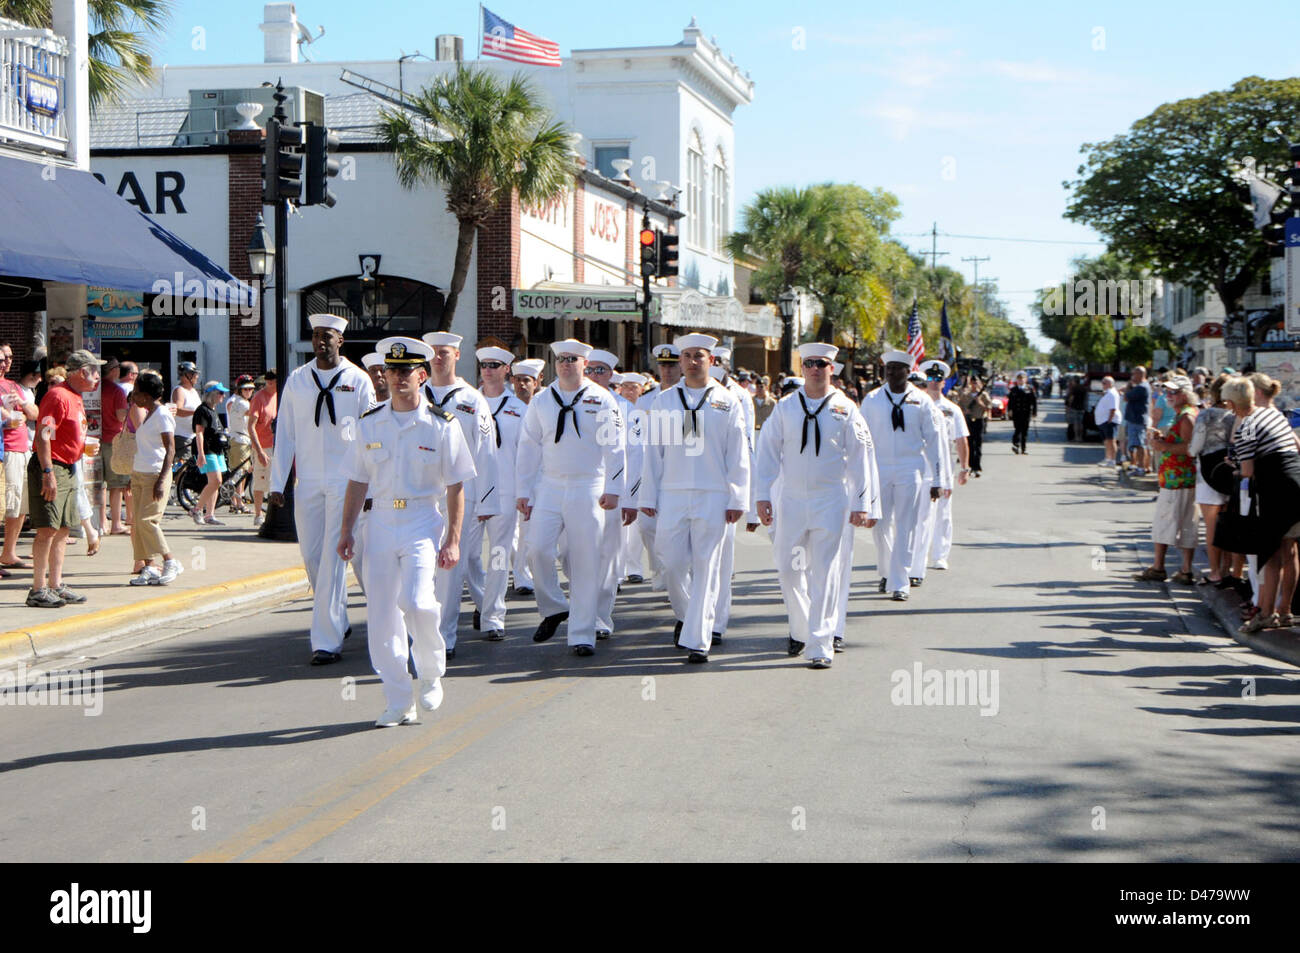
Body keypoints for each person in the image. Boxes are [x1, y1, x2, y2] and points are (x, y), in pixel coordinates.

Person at [338, 336, 476, 727]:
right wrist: (346, 530)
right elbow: (356, 481)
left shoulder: (441, 425)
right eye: (391, 371)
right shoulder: (369, 423)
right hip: (379, 522)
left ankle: (431, 671)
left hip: (420, 520)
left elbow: (456, 485)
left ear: (422, 375)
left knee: (418, 602)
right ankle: (398, 699)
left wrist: (452, 537)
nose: (397, 378)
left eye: (406, 372)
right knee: (382, 614)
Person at [755, 343, 878, 668]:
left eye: (821, 363)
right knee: (787, 567)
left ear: (832, 369)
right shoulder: (786, 407)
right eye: (808, 363)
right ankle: (802, 626)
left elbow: (862, 457)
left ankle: (821, 644)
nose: (814, 368)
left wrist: (862, 502)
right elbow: (767, 450)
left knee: (826, 571)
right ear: (802, 367)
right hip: (792, 500)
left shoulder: (847, 408)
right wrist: (762, 494)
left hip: (830, 499)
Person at [269, 315, 375, 665]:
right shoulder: (298, 380)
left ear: (340, 341)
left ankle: (325, 642)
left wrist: (371, 483)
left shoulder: (358, 380)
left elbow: (370, 435)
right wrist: (277, 481)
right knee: (312, 556)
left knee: (332, 556)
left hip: (346, 482)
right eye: (315, 336)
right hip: (309, 480)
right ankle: (338, 618)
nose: (320, 342)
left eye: (327, 336)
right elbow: (284, 433)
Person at [640, 333, 750, 663]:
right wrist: (649, 493)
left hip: (713, 494)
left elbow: (738, 453)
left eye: (698, 356)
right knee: (671, 565)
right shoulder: (665, 401)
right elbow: (653, 453)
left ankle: (698, 640)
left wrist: (737, 497)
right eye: (686, 355)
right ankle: (691, 617)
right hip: (672, 493)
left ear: (711, 361)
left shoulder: (727, 401)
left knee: (707, 567)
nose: (691, 361)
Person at [515, 339, 626, 656]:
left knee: (585, 559)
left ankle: (582, 634)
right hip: (550, 484)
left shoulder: (600, 398)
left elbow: (615, 447)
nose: (565, 364)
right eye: (561, 359)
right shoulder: (542, 400)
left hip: (588, 484)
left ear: (584, 364)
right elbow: (528, 446)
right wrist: (523, 490)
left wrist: (614, 487)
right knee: (536, 549)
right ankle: (553, 607)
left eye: (572, 359)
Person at [420, 331, 499, 659]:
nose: (439, 358)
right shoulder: (416, 394)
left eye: (445, 353)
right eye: (434, 353)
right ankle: (421, 631)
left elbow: (486, 452)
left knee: (450, 573)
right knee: (423, 570)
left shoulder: (471, 400)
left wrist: (488, 500)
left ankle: (445, 637)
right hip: (421, 496)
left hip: (461, 497)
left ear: (457, 356)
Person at [859, 350, 944, 601]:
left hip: (911, 468)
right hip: (879, 468)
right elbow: (861, 440)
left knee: (906, 525)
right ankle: (887, 570)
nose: (892, 372)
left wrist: (938, 480)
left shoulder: (922, 400)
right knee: (880, 524)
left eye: (897, 368)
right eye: (888, 368)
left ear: (908, 372)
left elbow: (934, 441)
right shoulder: (872, 399)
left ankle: (900, 581)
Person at [26, 349, 104, 608]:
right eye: (95, 371)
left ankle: (55, 584)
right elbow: (44, 436)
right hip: (52, 467)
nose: (97, 377)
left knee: (62, 529)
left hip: (68, 466)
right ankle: (37, 588)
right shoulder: (57, 396)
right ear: (82, 371)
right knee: (47, 528)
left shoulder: (76, 397)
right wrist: (48, 473)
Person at [1224, 375, 1300, 632]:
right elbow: (1295, 445)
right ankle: (1285, 610)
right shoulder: (1274, 414)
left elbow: (1246, 471)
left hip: (1276, 489)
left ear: (1234, 403)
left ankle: (1266, 614)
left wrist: (1234, 468)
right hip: (1296, 482)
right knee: (1290, 551)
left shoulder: (1247, 425)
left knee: (1270, 553)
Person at [474, 344, 528, 642]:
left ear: (507, 369)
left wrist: (525, 492)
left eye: (495, 365)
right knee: (466, 556)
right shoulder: (468, 402)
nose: (488, 370)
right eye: (484, 365)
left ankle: (493, 617)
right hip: (471, 489)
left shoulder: (519, 409)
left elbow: (526, 455)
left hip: (505, 491)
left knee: (497, 555)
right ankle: (484, 601)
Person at [1132, 377, 1199, 585]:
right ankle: (1184, 570)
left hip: (1177, 478)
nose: (1168, 396)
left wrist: (1164, 447)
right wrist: (1165, 439)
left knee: (1165, 522)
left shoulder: (1187, 417)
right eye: (1167, 392)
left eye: (1173, 392)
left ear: (1185, 394)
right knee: (1187, 522)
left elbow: (1190, 448)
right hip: (1181, 476)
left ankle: (1159, 567)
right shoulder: (1185, 414)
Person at [126, 372, 182, 586]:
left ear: (147, 396)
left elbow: (170, 449)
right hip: (139, 473)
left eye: (137, 393)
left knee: (147, 521)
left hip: (154, 474)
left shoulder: (162, 414)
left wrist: (162, 479)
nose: (134, 397)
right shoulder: (148, 414)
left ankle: (170, 560)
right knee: (137, 524)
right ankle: (148, 566)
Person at [635, 343, 682, 591]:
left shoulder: (688, 399)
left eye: (672, 365)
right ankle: (658, 565)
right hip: (649, 471)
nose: (667, 370)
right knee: (646, 526)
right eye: (663, 365)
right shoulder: (645, 402)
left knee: (676, 528)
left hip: (676, 472)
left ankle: (676, 571)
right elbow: (635, 442)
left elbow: (689, 442)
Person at [917, 360, 970, 572]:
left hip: (944, 468)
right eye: (930, 378)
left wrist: (964, 468)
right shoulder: (917, 405)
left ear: (944, 382)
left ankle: (940, 555)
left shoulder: (951, 409)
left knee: (943, 514)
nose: (933, 382)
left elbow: (961, 440)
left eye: (938, 379)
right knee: (918, 515)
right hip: (919, 467)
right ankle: (916, 555)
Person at [1188, 375, 1234, 585]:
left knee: (1212, 525)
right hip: (1232, 471)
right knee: (1231, 522)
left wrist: (1190, 452)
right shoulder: (1238, 415)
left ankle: (1215, 571)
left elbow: (1195, 447)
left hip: (1209, 472)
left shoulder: (1206, 415)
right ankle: (1229, 568)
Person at [0, 343, 38, 574]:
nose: (6, 362)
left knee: (22, 503)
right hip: (8, 450)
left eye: (8, 358)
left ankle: (9, 552)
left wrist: (21, 405)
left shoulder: (14, 386)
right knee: (8, 504)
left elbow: (34, 414)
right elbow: (9, 417)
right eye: (2, 359)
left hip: (24, 447)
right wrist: (10, 416)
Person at [508, 358, 544, 596]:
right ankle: (518, 573)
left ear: (537, 382)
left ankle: (526, 574)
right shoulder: (506, 406)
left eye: (526, 381)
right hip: (508, 477)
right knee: (512, 532)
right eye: (518, 380)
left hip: (539, 477)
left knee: (529, 531)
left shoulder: (543, 405)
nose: (522, 385)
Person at [98, 358, 132, 534]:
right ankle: (116, 523)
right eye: (118, 367)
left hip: (96, 437)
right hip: (114, 438)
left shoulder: (95, 388)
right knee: (117, 485)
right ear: (112, 370)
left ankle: (102, 521)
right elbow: (120, 416)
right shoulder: (117, 391)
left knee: (101, 483)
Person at [191, 381, 231, 525]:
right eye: (220, 393)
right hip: (207, 450)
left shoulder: (212, 410)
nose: (223, 395)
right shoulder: (202, 410)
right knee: (216, 480)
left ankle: (209, 514)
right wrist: (201, 453)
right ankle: (197, 509)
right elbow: (199, 433)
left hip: (217, 449)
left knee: (214, 483)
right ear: (212, 394)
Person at [246, 370, 277, 527]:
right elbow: (251, 426)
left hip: (276, 444)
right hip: (263, 445)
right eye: (268, 382)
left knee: (276, 481)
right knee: (260, 481)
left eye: (273, 382)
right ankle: (258, 514)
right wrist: (259, 451)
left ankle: (273, 512)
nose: (270, 385)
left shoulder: (280, 395)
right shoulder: (258, 398)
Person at [224, 374, 255, 514]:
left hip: (238, 438)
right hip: (241, 439)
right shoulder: (242, 403)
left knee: (239, 472)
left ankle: (235, 501)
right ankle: (239, 503)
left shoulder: (235, 400)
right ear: (240, 389)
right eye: (246, 389)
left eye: (251, 389)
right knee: (240, 473)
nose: (249, 392)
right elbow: (255, 414)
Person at [956, 377, 990, 476]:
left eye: (976, 382)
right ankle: (970, 465)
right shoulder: (966, 395)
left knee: (978, 444)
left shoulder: (983, 395)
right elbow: (959, 406)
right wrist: (965, 411)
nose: (974, 384)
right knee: (969, 444)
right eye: (972, 383)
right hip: (969, 421)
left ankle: (977, 466)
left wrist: (980, 402)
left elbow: (989, 407)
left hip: (979, 420)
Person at [171, 361, 201, 461]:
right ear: (186, 375)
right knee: (183, 468)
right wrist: (196, 412)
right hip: (183, 437)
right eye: (194, 374)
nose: (196, 376)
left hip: (194, 437)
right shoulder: (179, 390)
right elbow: (177, 410)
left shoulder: (193, 391)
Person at [1123, 367, 1151, 474]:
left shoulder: (1141, 388)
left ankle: (1140, 467)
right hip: (1135, 419)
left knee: (1139, 444)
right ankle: (1136, 465)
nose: (1132, 377)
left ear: (1141, 374)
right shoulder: (1141, 387)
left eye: (1134, 374)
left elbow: (1126, 397)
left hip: (1137, 420)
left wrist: (1129, 386)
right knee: (1135, 444)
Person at [1007, 372, 1037, 454]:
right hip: (1017, 412)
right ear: (1017, 380)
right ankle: (1016, 445)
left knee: (1024, 431)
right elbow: (1010, 402)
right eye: (1019, 379)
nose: (1021, 381)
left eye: (1022, 379)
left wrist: (1034, 412)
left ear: (1026, 379)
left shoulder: (1030, 389)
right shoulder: (1013, 390)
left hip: (1026, 413)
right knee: (1017, 429)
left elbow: (1034, 402)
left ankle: (1024, 448)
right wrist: (1009, 410)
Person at [1094, 376, 1121, 466]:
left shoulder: (1112, 393)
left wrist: (1109, 420)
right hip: (1103, 421)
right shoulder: (1108, 393)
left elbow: (1113, 408)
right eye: (1102, 383)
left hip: (1109, 421)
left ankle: (1112, 460)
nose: (1103, 385)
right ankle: (1107, 458)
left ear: (1110, 384)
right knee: (1106, 441)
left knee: (1111, 440)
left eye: (1104, 383)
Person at [1065, 376, 1088, 442]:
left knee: (1075, 423)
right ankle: (1080, 437)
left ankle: (1076, 437)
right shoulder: (1083, 388)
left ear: (1075, 382)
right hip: (1082, 407)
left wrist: (1067, 407)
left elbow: (1070, 398)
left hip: (1074, 407)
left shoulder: (1073, 389)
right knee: (1081, 423)